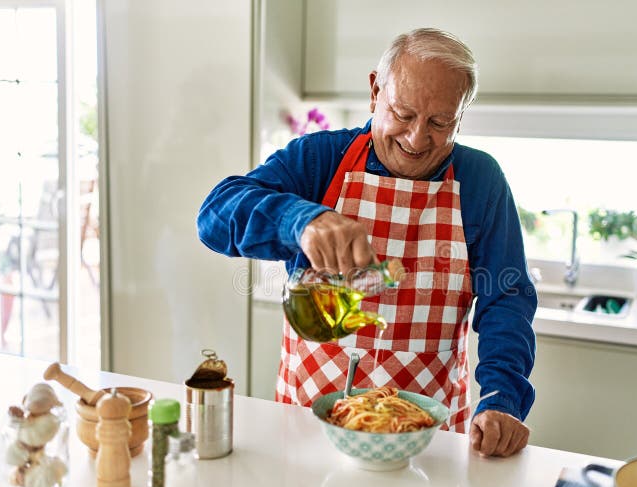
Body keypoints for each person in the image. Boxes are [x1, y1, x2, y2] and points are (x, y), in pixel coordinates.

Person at [198, 28, 537, 458]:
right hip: (308, 427)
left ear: (461, 115)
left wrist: (501, 400)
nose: (416, 139)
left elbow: (506, 298)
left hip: (428, 441)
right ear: (376, 91)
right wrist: (300, 221)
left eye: (439, 123)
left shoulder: (480, 181)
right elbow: (214, 216)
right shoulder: (319, 159)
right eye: (403, 113)